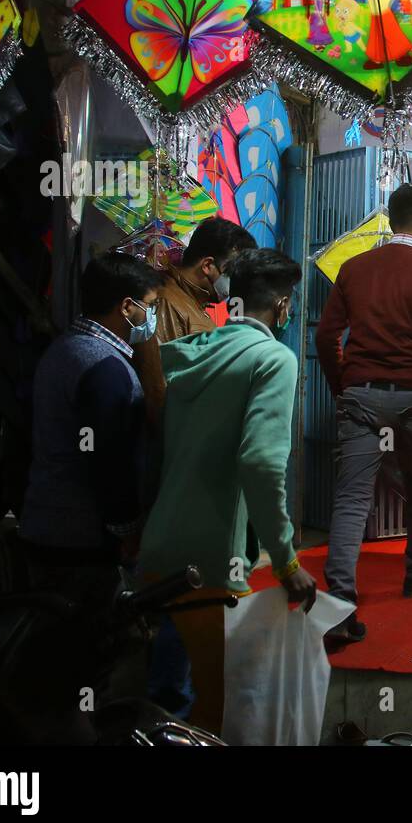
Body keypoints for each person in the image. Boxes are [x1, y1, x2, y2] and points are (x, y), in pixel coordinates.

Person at [137, 249, 314, 734]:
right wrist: (286, 560)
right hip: (211, 560)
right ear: (282, 306)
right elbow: (260, 461)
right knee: (213, 711)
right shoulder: (273, 358)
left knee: (165, 694)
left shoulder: (189, 350)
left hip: (156, 548)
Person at [315, 182, 412, 642]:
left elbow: (326, 338)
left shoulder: (355, 268)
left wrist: (343, 387)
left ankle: (339, 607)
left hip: (360, 395)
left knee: (351, 499)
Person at [19, 253, 163, 607]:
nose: (154, 317)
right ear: (127, 307)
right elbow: (110, 461)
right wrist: (128, 531)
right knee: (86, 643)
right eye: (151, 306)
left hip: (46, 523)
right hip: (82, 538)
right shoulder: (105, 368)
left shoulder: (66, 348)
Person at [131, 216, 257, 428]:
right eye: (233, 273)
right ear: (208, 265)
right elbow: (158, 389)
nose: (236, 283)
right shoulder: (167, 302)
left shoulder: (193, 304)